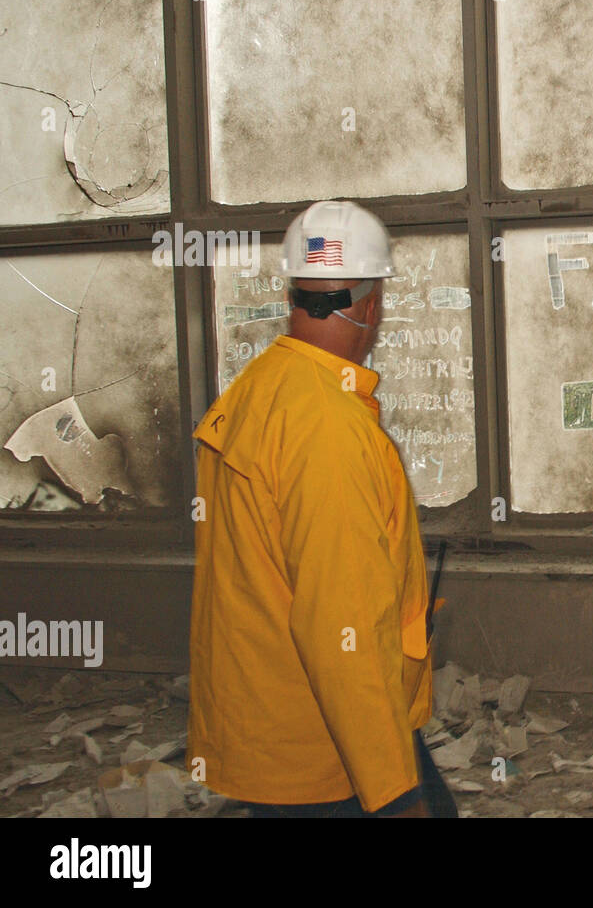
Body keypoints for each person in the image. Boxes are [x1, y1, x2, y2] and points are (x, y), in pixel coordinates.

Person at [187, 200, 456, 818]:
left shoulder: (258, 389)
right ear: (368, 304)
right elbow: (342, 626)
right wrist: (394, 792)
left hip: (272, 728)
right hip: (327, 757)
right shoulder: (330, 429)